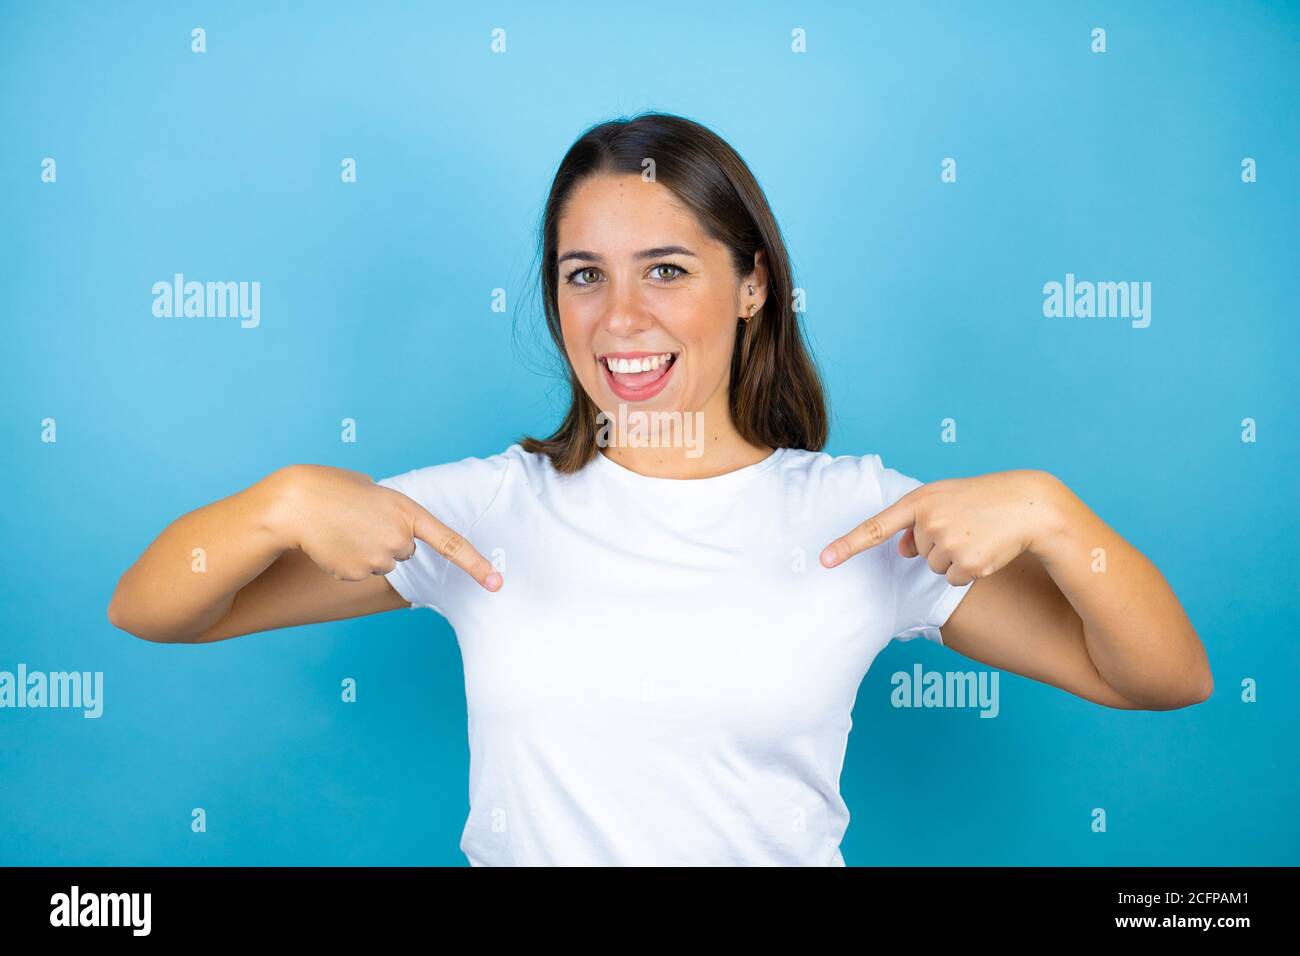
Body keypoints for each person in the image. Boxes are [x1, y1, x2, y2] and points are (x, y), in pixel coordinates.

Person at [108, 111, 1213, 866]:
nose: (619, 318)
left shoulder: (861, 516)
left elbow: (1161, 677)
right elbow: (158, 609)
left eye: (667, 269)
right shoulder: (485, 510)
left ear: (752, 286)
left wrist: (1058, 519)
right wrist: (279, 501)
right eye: (583, 274)